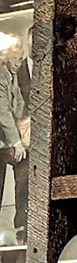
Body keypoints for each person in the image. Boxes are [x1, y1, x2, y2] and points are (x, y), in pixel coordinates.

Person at [0, 34, 30, 244]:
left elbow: (18, 101)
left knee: (24, 171)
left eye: (20, 59)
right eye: (16, 59)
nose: (19, 63)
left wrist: (24, 120)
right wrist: (17, 141)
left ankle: (22, 225)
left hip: (6, 142)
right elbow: (2, 112)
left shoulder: (12, 75)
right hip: (3, 144)